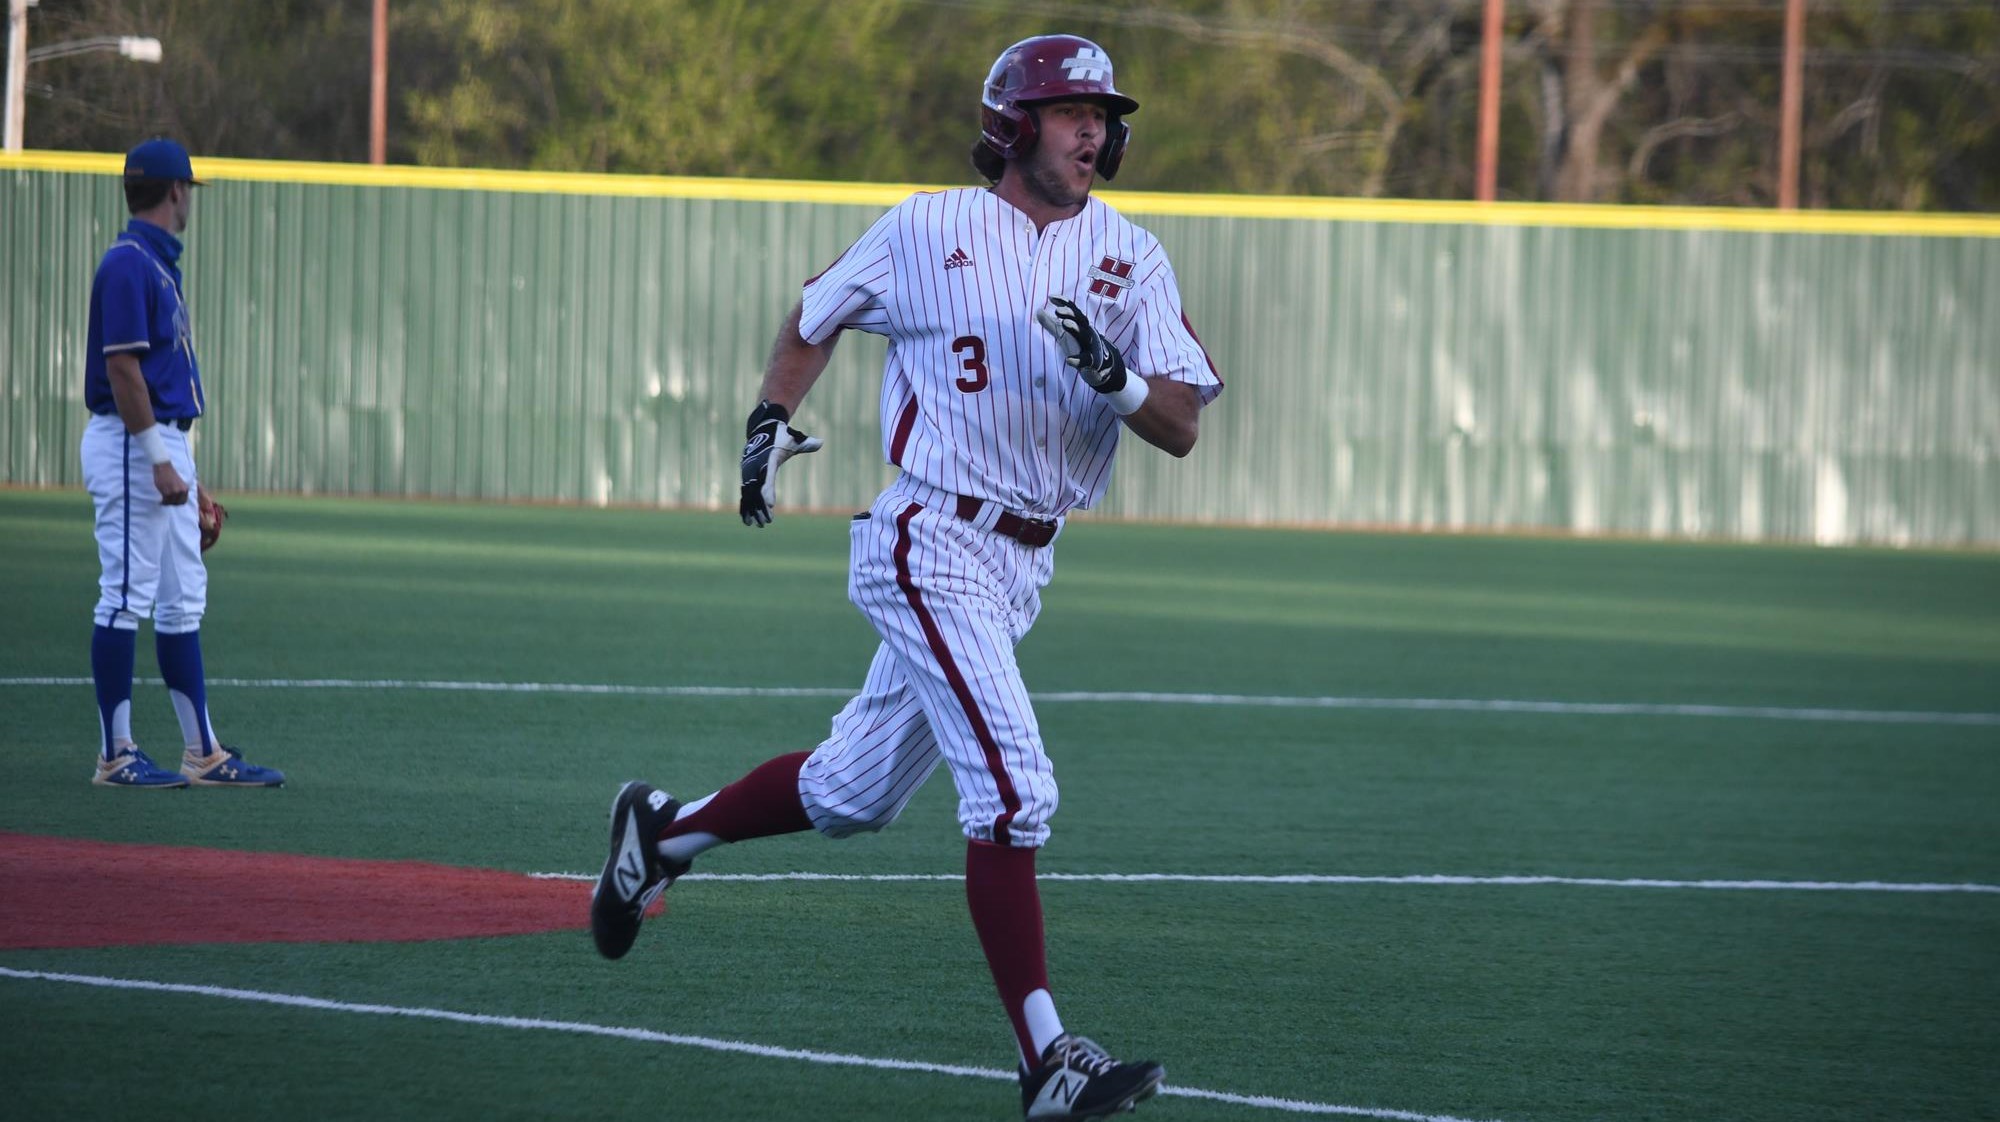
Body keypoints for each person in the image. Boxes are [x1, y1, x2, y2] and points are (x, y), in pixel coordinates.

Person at [590, 35, 1218, 1120]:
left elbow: (1179, 423)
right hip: (927, 534)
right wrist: (766, 421)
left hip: (1023, 563)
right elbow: (812, 314)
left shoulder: (1132, 256)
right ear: (1013, 124)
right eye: (1069, 109)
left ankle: (663, 832)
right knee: (1015, 788)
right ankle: (1046, 1060)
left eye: (1101, 114)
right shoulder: (926, 227)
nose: (1093, 130)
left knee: (848, 795)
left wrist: (1112, 378)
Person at [80, 137, 284, 790]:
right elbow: (121, 369)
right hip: (129, 442)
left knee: (180, 600)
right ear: (175, 192)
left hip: (161, 444)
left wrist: (184, 468)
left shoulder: (153, 263)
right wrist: (158, 459)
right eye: (188, 189)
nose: (189, 199)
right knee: (125, 595)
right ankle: (116, 754)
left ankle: (203, 752)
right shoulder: (128, 263)